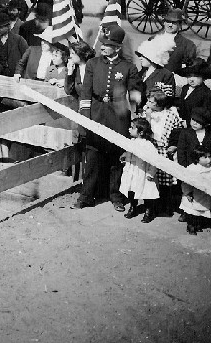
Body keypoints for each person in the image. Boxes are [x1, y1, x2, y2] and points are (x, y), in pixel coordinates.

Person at [73, 25, 142, 211]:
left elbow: (135, 95)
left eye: (107, 45)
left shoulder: (129, 68)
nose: (102, 47)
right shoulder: (92, 64)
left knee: (115, 161)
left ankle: (116, 197)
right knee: (92, 159)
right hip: (95, 116)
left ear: (118, 48)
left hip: (118, 119)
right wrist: (85, 120)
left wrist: (135, 111)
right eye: (102, 43)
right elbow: (85, 93)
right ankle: (86, 196)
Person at [142, 88, 184, 216]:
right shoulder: (146, 114)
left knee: (166, 182)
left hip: (165, 151)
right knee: (150, 180)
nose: (148, 104)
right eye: (148, 101)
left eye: (151, 102)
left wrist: (173, 145)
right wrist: (148, 118)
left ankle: (165, 206)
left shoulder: (170, 115)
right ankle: (151, 207)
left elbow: (177, 131)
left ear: (159, 104)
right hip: (151, 150)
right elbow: (144, 132)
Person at [120, 117, 160, 222]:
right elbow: (128, 153)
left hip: (143, 172)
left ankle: (149, 211)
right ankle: (133, 207)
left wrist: (151, 173)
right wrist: (124, 156)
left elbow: (154, 161)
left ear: (141, 132)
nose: (129, 129)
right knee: (131, 190)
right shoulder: (131, 141)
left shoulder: (148, 145)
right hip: (132, 171)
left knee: (147, 192)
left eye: (132, 128)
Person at [154, 8, 197, 76]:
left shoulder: (187, 45)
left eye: (174, 23)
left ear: (179, 25)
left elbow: (190, 69)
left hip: (175, 81)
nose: (170, 25)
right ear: (164, 23)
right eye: (168, 21)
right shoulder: (153, 40)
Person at [134, 35, 176, 105]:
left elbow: (168, 99)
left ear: (153, 56)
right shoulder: (141, 73)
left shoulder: (166, 75)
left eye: (143, 56)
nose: (140, 58)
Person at [179, 148, 211, 233]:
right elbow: (186, 183)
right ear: (197, 159)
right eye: (205, 157)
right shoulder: (192, 169)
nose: (209, 160)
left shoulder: (209, 169)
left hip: (204, 195)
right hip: (193, 194)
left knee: (201, 211)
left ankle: (198, 224)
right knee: (192, 211)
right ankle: (191, 225)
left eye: (210, 157)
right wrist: (188, 193)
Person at [0, 10, 27, 77]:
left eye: (0, 27)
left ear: (8, 26)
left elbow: (27, 58)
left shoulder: (18, 40)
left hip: (16, 77)